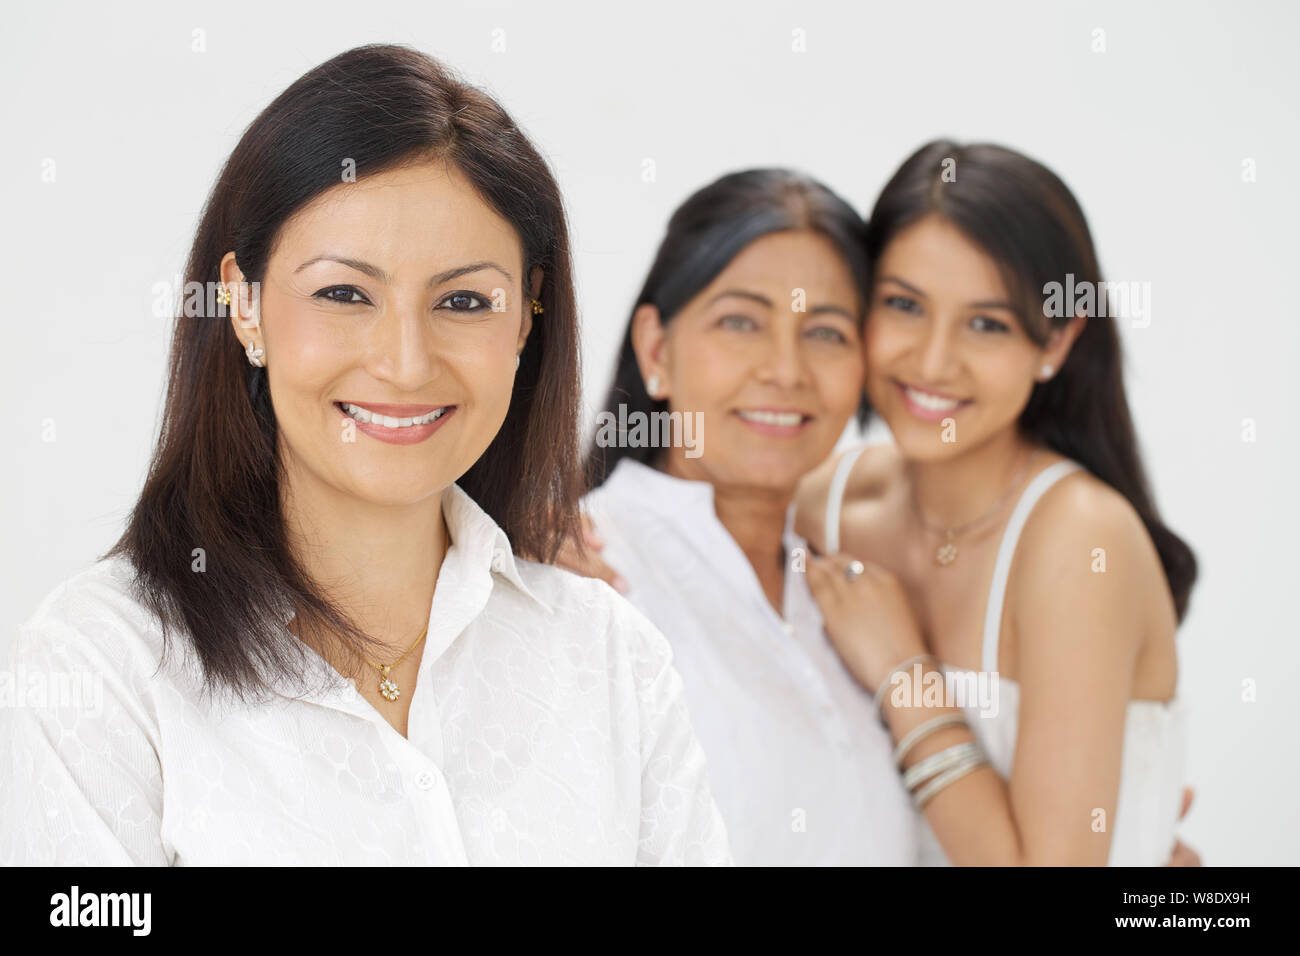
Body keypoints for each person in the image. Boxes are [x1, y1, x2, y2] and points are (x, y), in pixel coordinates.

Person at [0, 44, 730, 866]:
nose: (406, 363)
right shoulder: (103, 664)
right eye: (344, 293)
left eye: (463, 301)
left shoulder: (612, 659)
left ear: (525, 321)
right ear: (243, 304)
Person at [798, 140, 1198, 865]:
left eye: (987, 323)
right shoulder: (823, 506)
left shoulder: (1079, 540)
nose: (932, 360)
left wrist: (904, 672)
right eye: (904, 305)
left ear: (1055, 341)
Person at [573, 169, 918, 865]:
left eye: (825, 332)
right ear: (658, 350)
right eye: (741, 322)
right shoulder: (583, 574)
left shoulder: (854, 597)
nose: (785, 369)